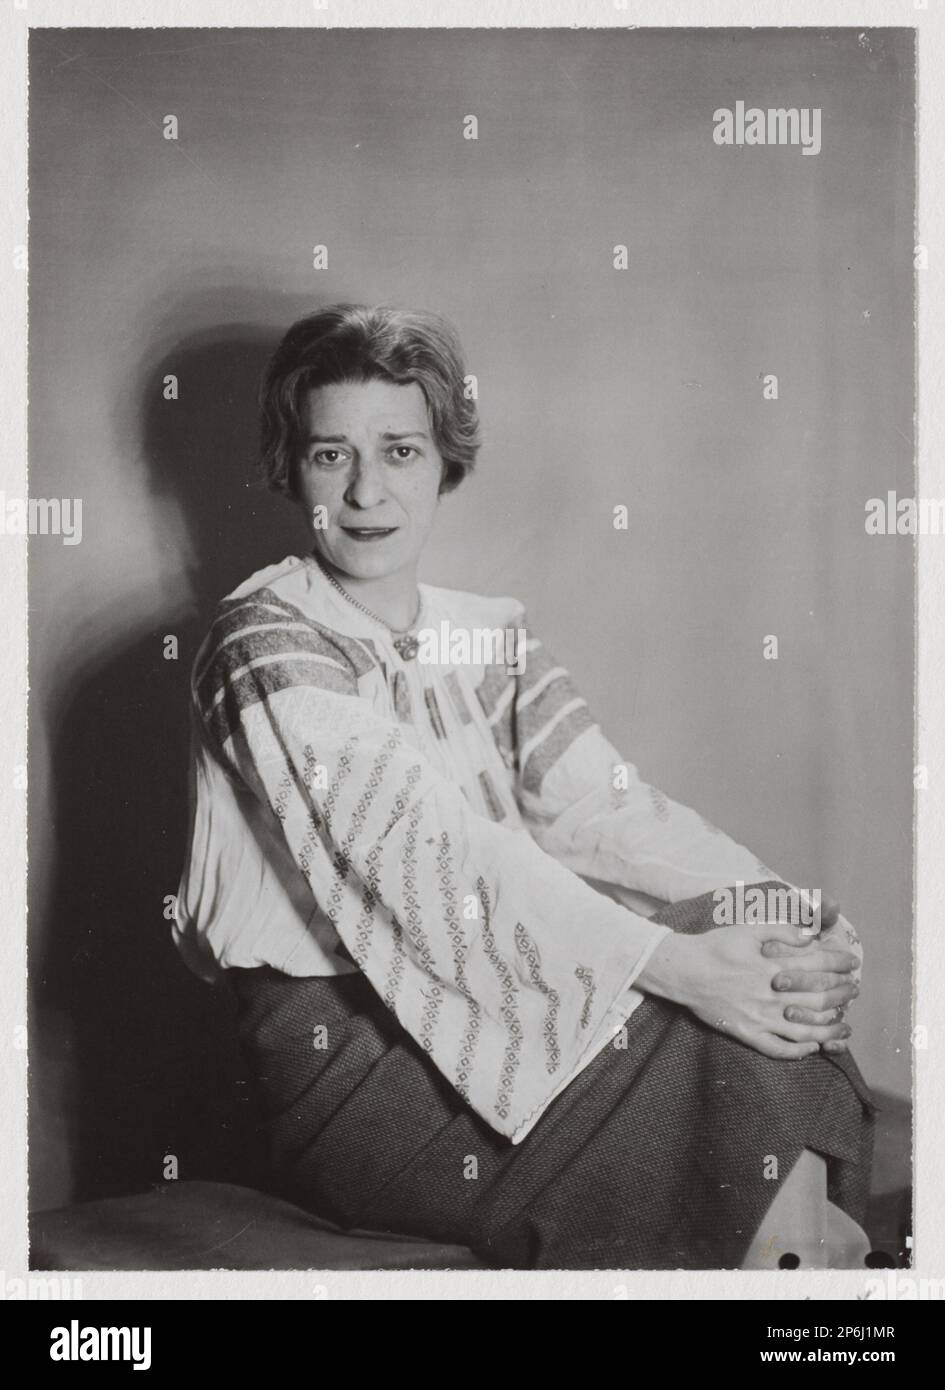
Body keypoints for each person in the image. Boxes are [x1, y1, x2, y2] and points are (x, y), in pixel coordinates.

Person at [173, 303, 873, 1269]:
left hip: (498, 990)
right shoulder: (264, 639)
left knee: (773, 973)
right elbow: (429, 861)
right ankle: (800, 1272)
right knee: (732, 1041)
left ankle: (810, 1269)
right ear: (292, 465)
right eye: (332, 455)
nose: (368, 489)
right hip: (352, 1060)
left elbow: (603, 812)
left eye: (401, 451)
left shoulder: (488, 634)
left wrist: (788, 910)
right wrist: (678, 970)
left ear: (443, 461)